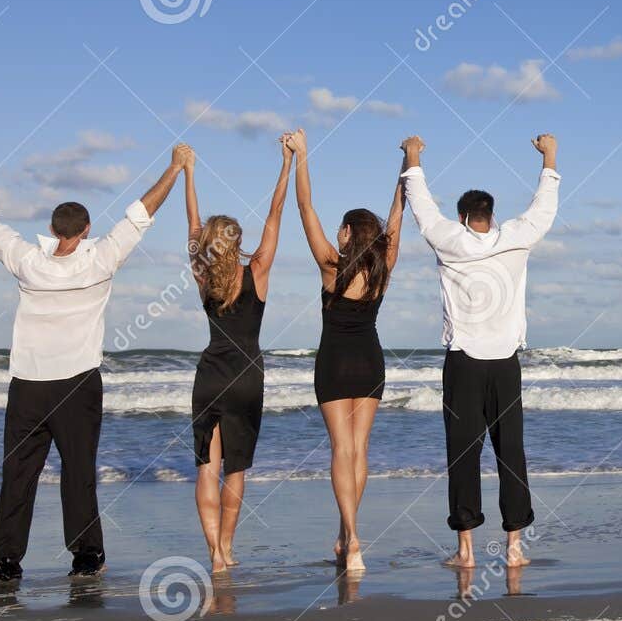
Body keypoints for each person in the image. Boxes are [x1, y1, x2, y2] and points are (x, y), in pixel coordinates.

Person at [0, 144, 190, 580]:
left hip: (28, 384)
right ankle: (87, 556)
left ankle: (6, 560)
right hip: (76, 384)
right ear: (86, 229)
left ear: (52, 229)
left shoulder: (28, 262)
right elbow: (140, 215)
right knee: (78, 472)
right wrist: (175, 168)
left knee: (19, 473)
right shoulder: (102, 259)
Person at [400, 132, 559, 569]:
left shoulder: (448, 239)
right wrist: (549, 157)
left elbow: (421, 206)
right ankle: (514, 549)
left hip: (464, 364)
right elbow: (544, 210)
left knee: (463, 453)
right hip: (505, 364)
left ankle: (466, 551)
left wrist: (413, 155)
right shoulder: (515, 239)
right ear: (491, 214)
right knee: (511, 452)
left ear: (463, 216)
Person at [290, 128, 404, 573]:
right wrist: (407, 164)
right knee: (359, 449)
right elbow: (397, 213)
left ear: (346, 233)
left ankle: (352, 537)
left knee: (341, 450)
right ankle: (346, 535)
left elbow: (304, 207)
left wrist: (302, 155)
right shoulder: (384, 267)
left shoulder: (330, 266)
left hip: (334, 363)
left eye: (340, 227)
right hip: (370, 362)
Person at [183, 135, 291, 572]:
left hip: (210, 374)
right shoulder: (257, 272)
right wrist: (288, 164)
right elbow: (275, 214)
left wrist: (189, 172)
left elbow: (192, 224)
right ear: (237, 242)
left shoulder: (202, 275)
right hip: (247, 376)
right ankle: (227, 548)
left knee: (206, 467)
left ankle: (213, 554)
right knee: (236, 469)